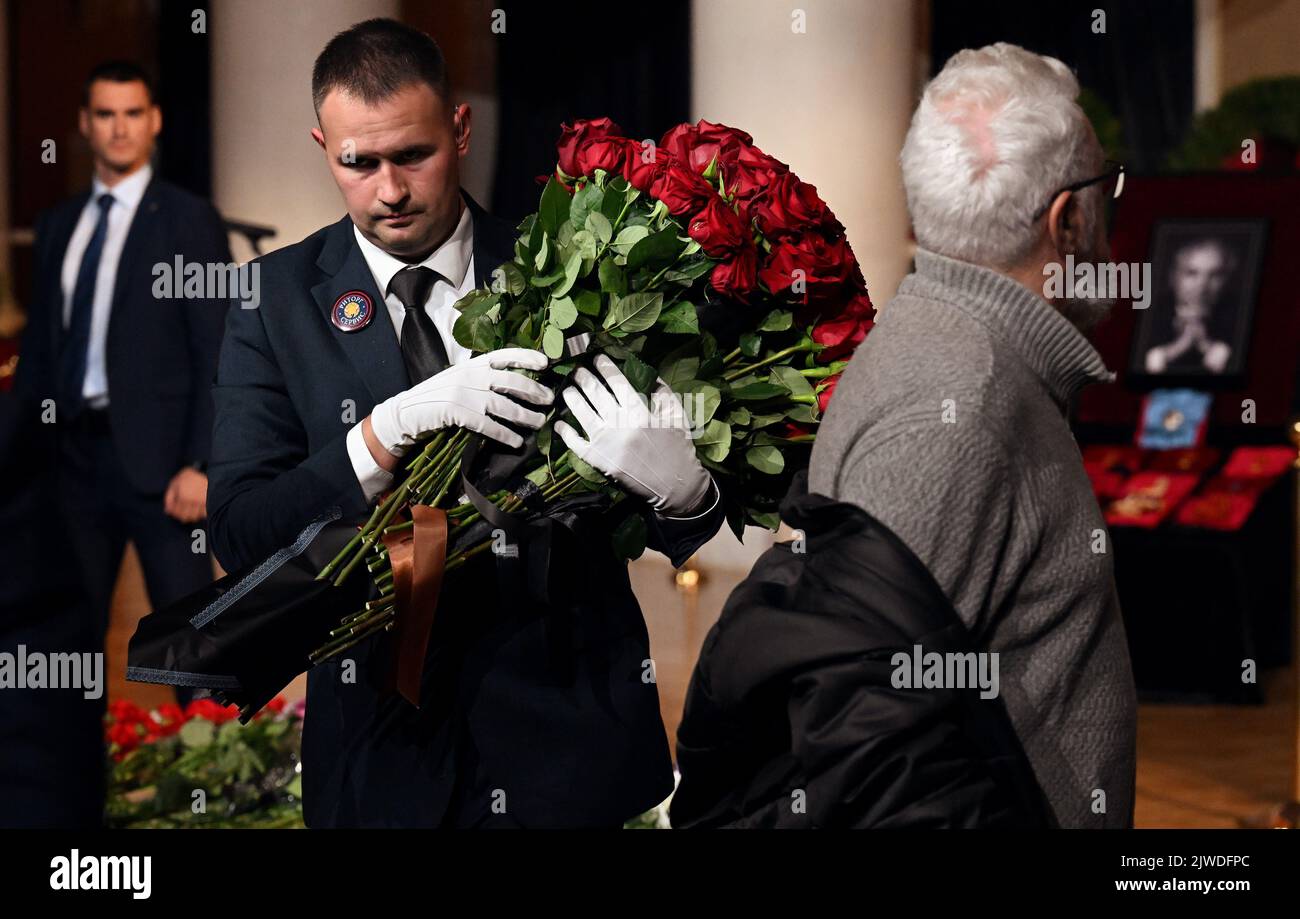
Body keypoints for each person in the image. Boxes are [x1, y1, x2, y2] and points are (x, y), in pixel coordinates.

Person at [206, 18, 723, 828]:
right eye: (359, 162)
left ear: (461, 126)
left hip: (567, 746)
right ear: (322, 146)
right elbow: (241, 531)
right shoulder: (271, 304)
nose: (390, 190)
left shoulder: (565, 271)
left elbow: (674, 525)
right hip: (383, 755)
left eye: (413, 155)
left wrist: (686, 492)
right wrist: (382, 432)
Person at [808, 43, 1137, 827]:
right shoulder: (961, 410)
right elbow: (866, 747)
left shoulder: (968, 359)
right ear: (1069, 220)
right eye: (1105, 189)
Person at [14, 61, 231, 708]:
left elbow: (215, 347)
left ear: (155, 122)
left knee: (190, 635)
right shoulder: (58, 226)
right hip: (71, 462)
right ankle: (79, 777)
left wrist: (200, 462)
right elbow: (38, 358)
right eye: (105, 114)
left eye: (133, 113)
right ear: (84, 124)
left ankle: (206, 785)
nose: (119, 128)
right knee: (68, 633)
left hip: (164, 467)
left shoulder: (190, 220)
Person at [1144, 238, 1236, 374]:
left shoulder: (1238, 317)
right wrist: (1172, 350)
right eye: (1192, 273)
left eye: (1215, 275)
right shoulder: (1147, 314)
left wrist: (1208, 346)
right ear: (1173, 277)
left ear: (1227, 280)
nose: (1202, 285)